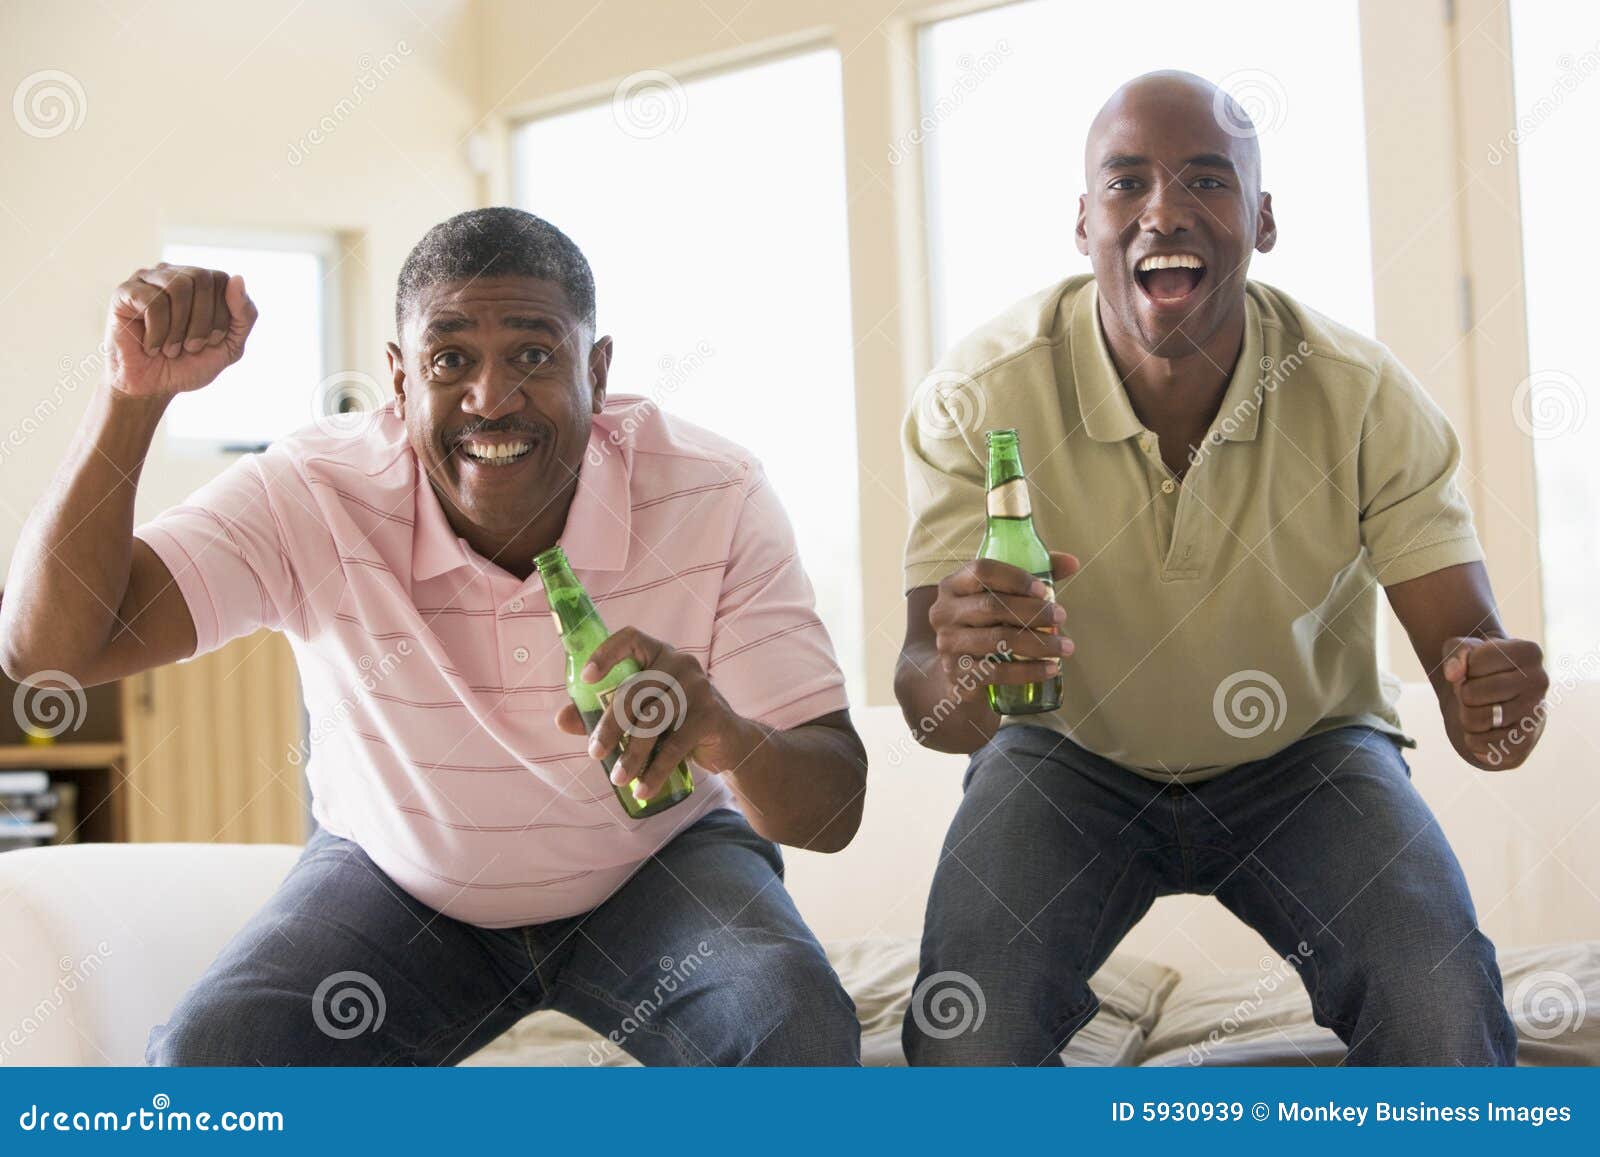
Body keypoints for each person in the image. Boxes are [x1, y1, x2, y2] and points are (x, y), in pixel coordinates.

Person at [0, 207, 867, 1066]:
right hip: (398, 883)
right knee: (215, 1061)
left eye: (534, 355)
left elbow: (831, 806)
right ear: (400, 380)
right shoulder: (313, 490)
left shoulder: (714, 491)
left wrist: (728, 733)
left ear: (597, 373)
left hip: (660, 867)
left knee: (790, 1026)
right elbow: (50, 653)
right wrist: (130, 398)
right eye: (450, 358)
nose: (491, 398)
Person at [894, 71, 1547, 1066]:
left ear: (1261, 219)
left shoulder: (1362, 395)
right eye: (1125, 183)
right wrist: (970, 668)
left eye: (1205, 180)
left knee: (1437, 993)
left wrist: (1498, 706)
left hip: (1306, 757)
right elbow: (933, 707)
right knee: (968, 1020)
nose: (1161, 209)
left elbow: (1480, 695)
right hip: (1061, 755)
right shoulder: (977, 393)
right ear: (1082, 223)